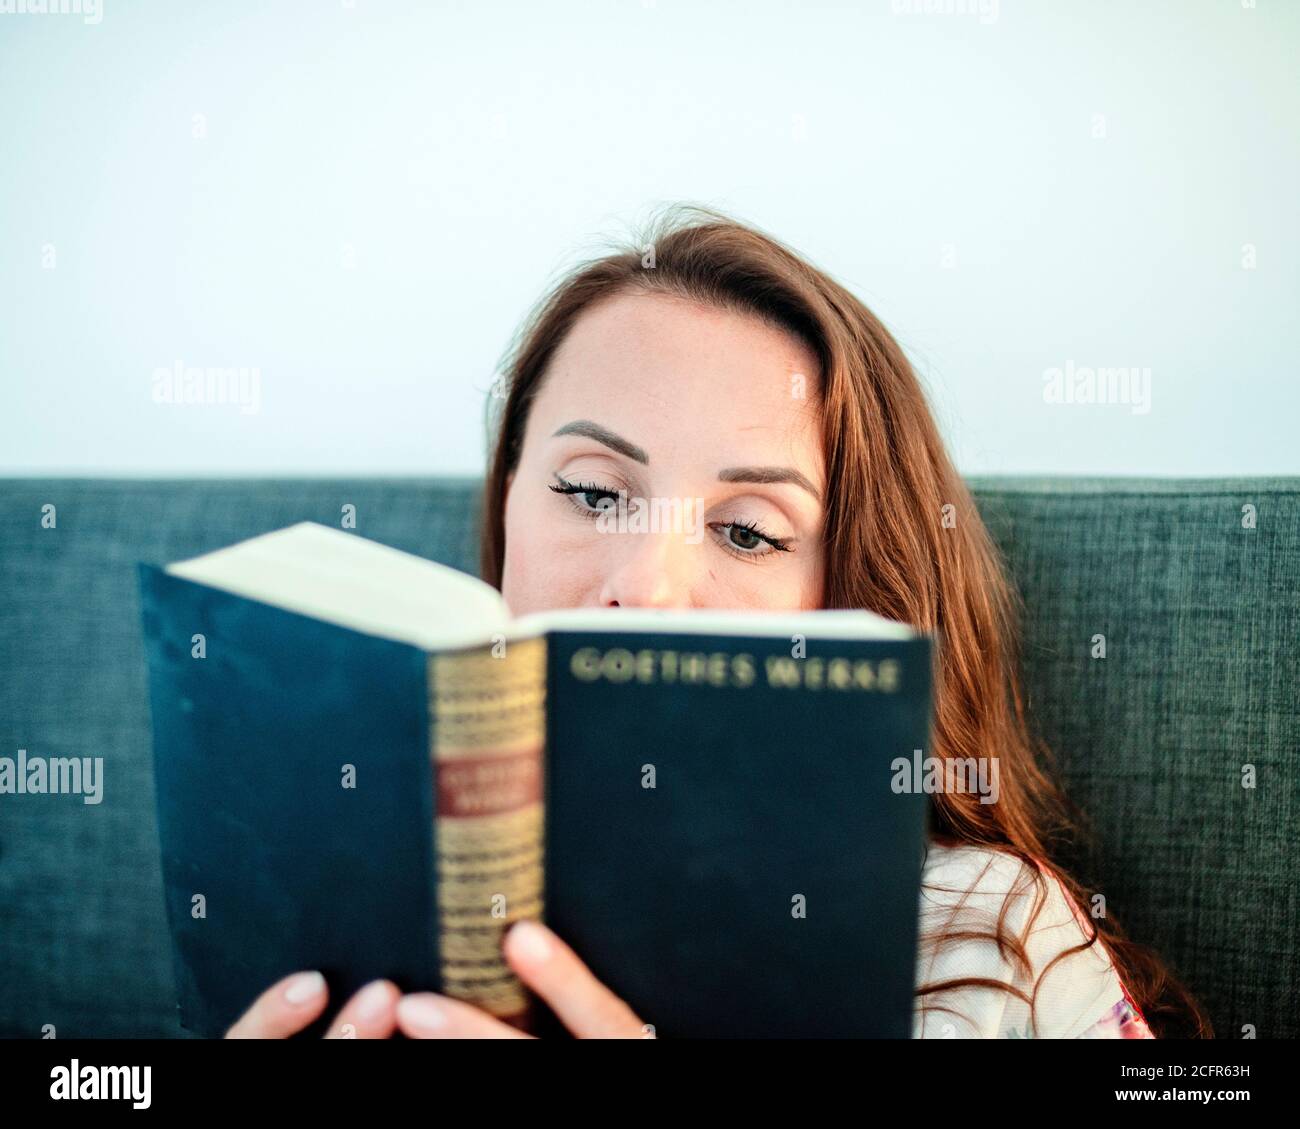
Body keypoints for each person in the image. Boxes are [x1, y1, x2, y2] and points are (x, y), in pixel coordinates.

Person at [226, 205, 1208, 1039]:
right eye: (592, 492)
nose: (646, 587)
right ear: (507, 506)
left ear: (846, 598)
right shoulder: (339, 875)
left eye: (744, 532)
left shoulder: (981, 931)